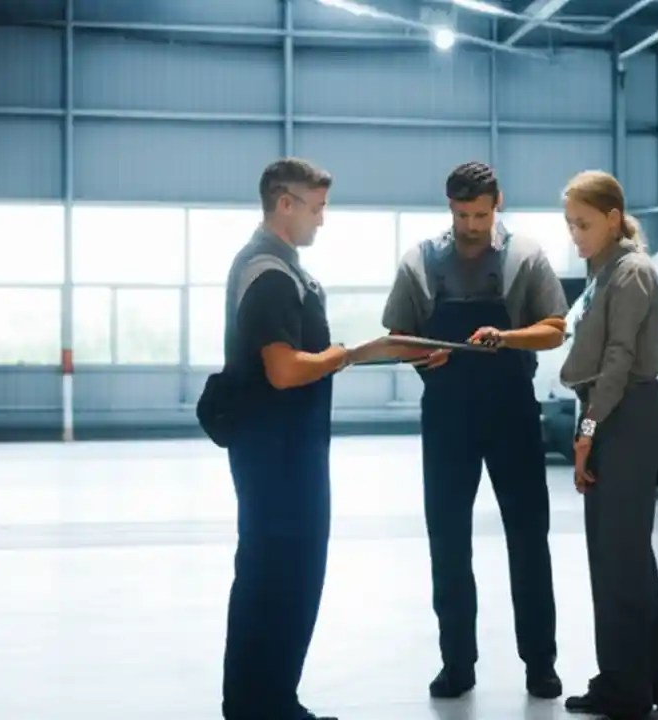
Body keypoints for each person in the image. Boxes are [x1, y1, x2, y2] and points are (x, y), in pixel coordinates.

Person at [215, 158, 430, 720]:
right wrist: (346, 356)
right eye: (317, 207)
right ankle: (258, 705)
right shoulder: (269, 274)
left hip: (288, 449)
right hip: (276, 454)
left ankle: (268, 700)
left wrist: (389, 348)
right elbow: (285, 370)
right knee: (277, 574)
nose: (322, 221)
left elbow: (316, 358)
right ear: (285, 204)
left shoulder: (286, 271)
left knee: (284, 574)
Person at [381, 161, 569, 699]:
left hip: (512, 412)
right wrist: (421, 356)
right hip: (446, 416)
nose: (471, 226)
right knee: (447, 540)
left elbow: (554, 330)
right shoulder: (419, 260)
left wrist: (507, 337)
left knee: (529, 539)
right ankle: (456, 665)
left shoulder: (526, 256)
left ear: (498, 203)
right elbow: (398, 336)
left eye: (481, 214)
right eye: (462, 214)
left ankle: (540, 663)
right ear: (449, 207)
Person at [558, 170, 658, 720]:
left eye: (583, 224)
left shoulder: (630, 273)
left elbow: (618, 361)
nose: (575, 235)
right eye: (569, 226)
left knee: (618, 558)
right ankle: (651, 676)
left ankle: (626, 691)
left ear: (612, 218)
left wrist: (586, 436)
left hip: (627, 415)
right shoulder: (604, 272)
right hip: (613, 414)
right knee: (623, 555)